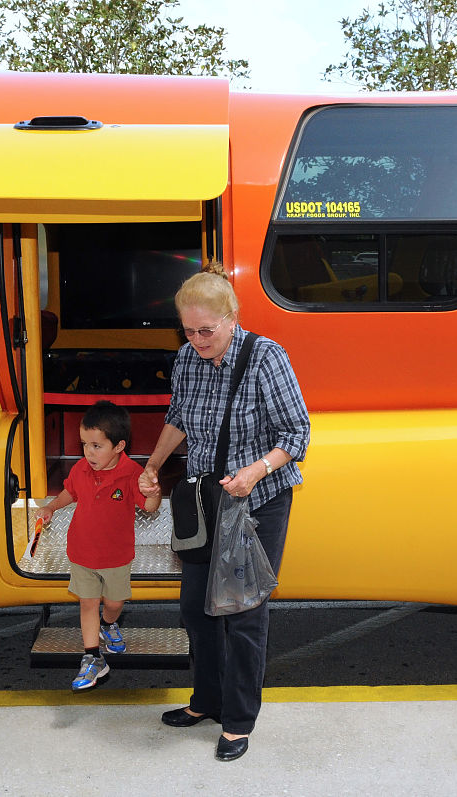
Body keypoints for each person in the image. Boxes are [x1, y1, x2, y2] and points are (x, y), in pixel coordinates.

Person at [139, 263, 310, 762]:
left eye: (206, 331)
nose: (197, 340)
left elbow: (296, 436)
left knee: (243, 614)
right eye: (188, 331)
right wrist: (150, 465)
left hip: (255, 502)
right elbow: (178, 418)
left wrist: (255, 471)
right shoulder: (187, 360)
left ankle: (237, 721)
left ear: (231, 317)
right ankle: (206, 700)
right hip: (202, 500)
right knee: (196, 607)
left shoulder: (266, 358)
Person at [37, 400, 160, 691]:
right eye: (84, 444)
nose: (88, 453)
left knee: (114, 603)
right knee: (88, 603)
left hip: (116, 556)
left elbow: (151, 508)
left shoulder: (132, 474)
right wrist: (51, 507)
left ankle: (109, 624)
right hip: (82, 552)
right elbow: (70, 491)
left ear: (119, 446)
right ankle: (93, 657)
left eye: (96, 446)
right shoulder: (81, 468)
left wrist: (153, 492)